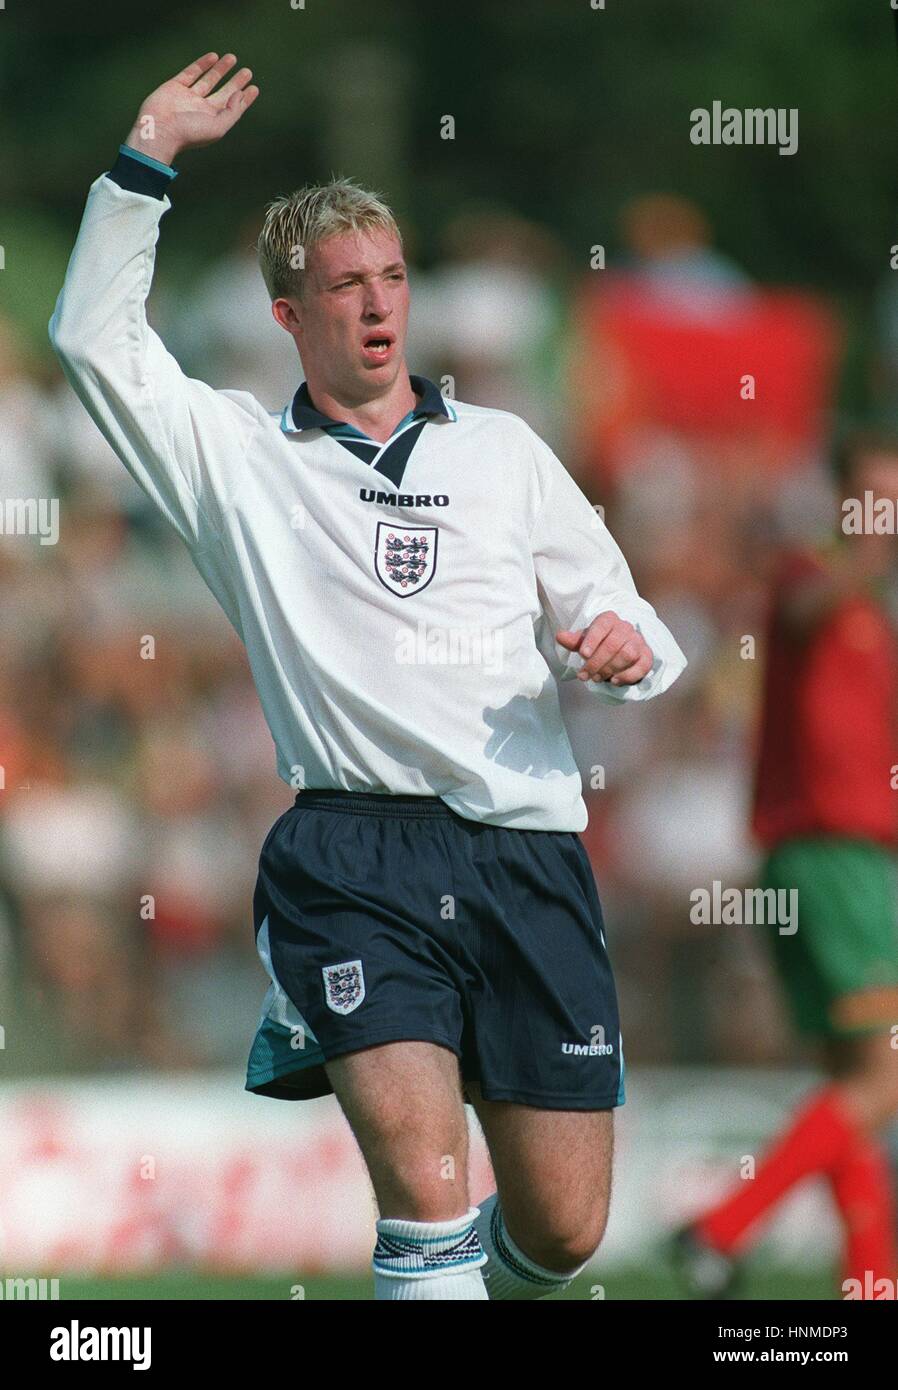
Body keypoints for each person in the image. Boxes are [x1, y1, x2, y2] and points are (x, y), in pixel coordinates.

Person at [49, 52, 687, 1301]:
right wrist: (148, 155)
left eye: (392, 276)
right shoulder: (231, 456)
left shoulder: (504, 452)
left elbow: (631, 620)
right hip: (353, 858)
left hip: (527, 854)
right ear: (288, 314)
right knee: (427, 1195)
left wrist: (624, 651)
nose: (379, 304)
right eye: (344, 285)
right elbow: (89, 337)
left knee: (561, 1229)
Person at [675, 427, 898, 1299]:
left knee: (850, 1084)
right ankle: (720, 1227)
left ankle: (872, 1284)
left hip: (841, 860)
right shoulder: (816, 572)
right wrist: (868, 551)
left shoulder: (873, 613)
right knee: (883, 1078)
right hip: (832, 857)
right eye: (874, 494)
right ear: (844, 497)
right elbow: (804, 608)